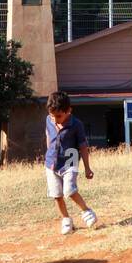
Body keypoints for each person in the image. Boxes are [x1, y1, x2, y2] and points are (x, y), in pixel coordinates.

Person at [45, 90, 97, 234]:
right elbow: (48, 136)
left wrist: (87, 167)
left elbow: (83, 146)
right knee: (57, 195)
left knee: (70, 190)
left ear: (69, 111)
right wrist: (49, 152)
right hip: (51, 163)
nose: (55, 119)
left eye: (59, 116)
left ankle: (87, 212)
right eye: (52, 115)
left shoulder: (77, 125)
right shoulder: (49, 120)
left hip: (71, 159)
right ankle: (66, 220)